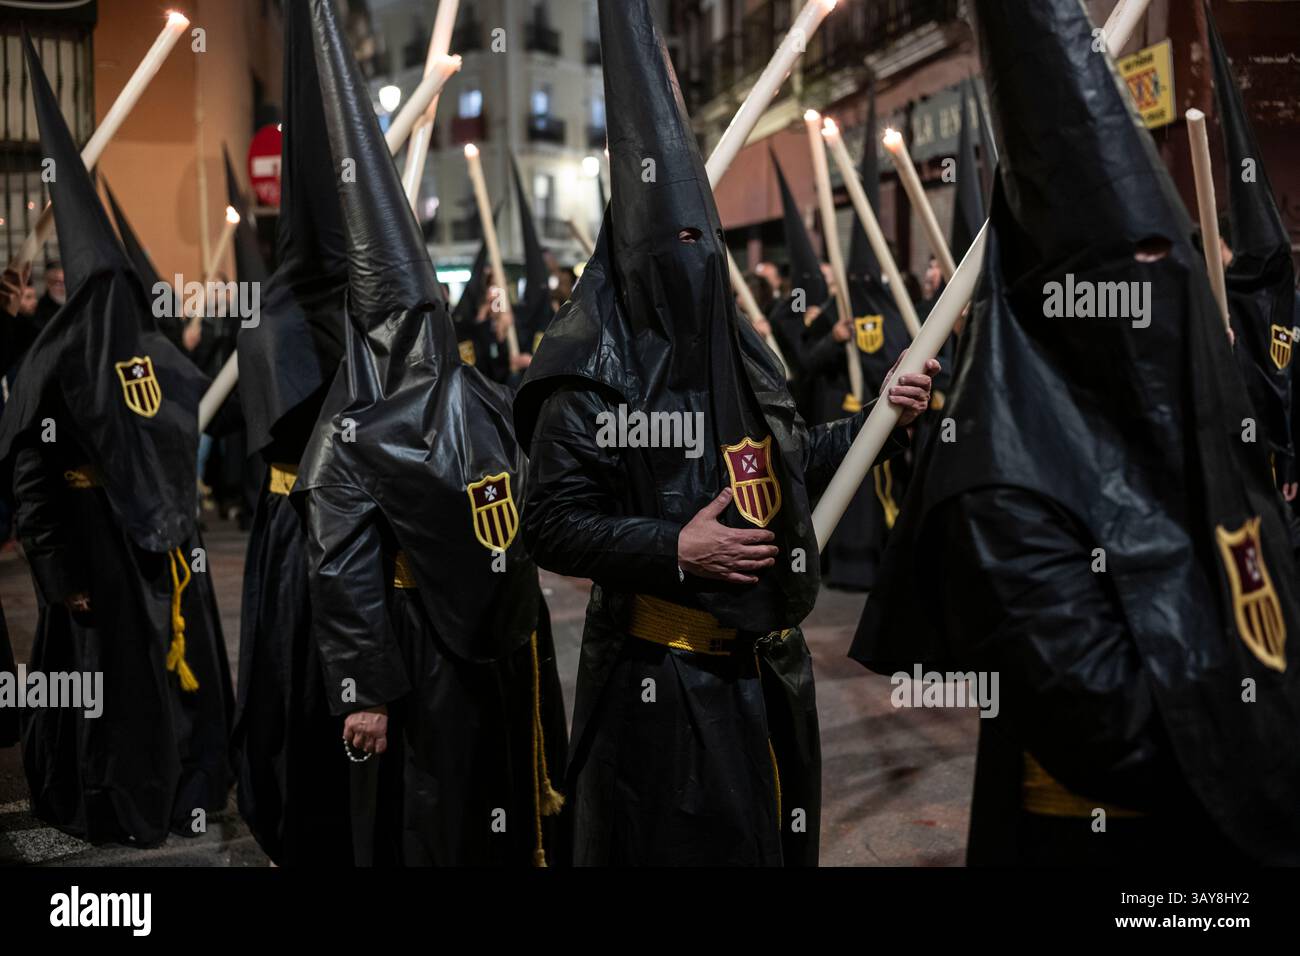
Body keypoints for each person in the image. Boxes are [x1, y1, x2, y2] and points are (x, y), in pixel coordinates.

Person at [851, 0, 1300, 866]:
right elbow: (1108, 724)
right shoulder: (1001, 481)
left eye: (1160, 257)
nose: (1148, 290)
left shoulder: (1180, 416)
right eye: (1117, 270)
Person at [513, 0, 936, 867]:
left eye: (699, 241)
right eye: (672, 242)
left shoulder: (727, 350)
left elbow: (782, 463)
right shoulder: (590, 372)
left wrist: (882, 417)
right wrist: (677, 546)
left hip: (763, 678)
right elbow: (550, 523)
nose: (691, 258)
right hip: (657, 684)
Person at [295, 0, 567, 867]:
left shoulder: (477, 393)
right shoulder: (347, 429)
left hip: (493, 639)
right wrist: (365, 689)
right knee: (423, 810)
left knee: (485, 796)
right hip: (414, 643)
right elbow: (340, 562)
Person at [0, 35, 231, 847]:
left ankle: (175, 787)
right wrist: (61, 576)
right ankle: (102, 797)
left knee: (161, 684)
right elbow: (31, 475)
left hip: (152, 554)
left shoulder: (144, 351)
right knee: (95, 689)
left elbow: (177, 420)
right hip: (93, 556)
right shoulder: (49, 361)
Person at [228, 0, 352, 866]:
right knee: (299, 689)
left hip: (319, 530)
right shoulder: (289, 319)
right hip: (306, 531)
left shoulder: (277, 309)